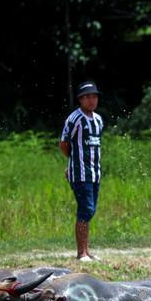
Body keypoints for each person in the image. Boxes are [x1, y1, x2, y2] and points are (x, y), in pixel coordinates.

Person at [59, 81, 105, 262]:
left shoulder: (98, 120)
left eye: (94, 96)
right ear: (80, 99)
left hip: (94, 172)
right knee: (86, 209)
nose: (92, 100)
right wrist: (73, 163)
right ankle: (81, 253)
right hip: (80, 173)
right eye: (87, 97)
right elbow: (63, 144)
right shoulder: (75, 119)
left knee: (90, 211)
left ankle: (87, 251)